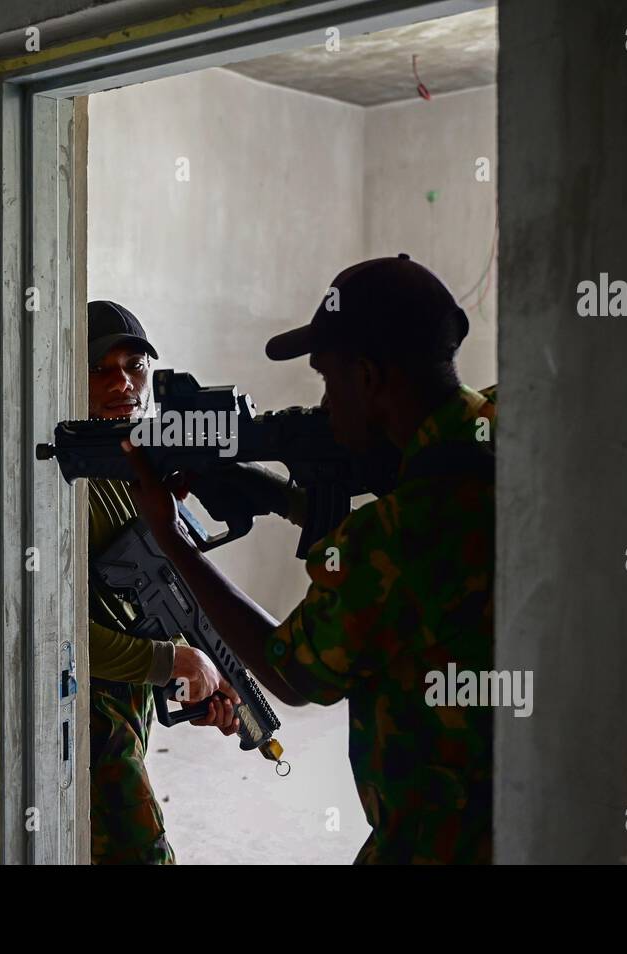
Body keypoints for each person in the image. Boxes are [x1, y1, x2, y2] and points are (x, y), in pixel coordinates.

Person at [120, 256, 496, 863]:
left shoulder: (391, 538)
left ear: (369, 378)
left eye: (326, 378)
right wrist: (278, 496)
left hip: (442, 837)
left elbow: (294, 673)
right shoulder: (506, 427)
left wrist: (173, 540)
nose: (322, 404)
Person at [84, 300, 239, 865]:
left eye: (135, 366)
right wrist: (172, 663)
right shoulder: (59, 476)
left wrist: (195, 686)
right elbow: (56, 633)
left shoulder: (140, 470)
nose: (122, 383)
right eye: (101, 369)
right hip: (83, 703)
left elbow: (156, 607)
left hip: (128, 696)